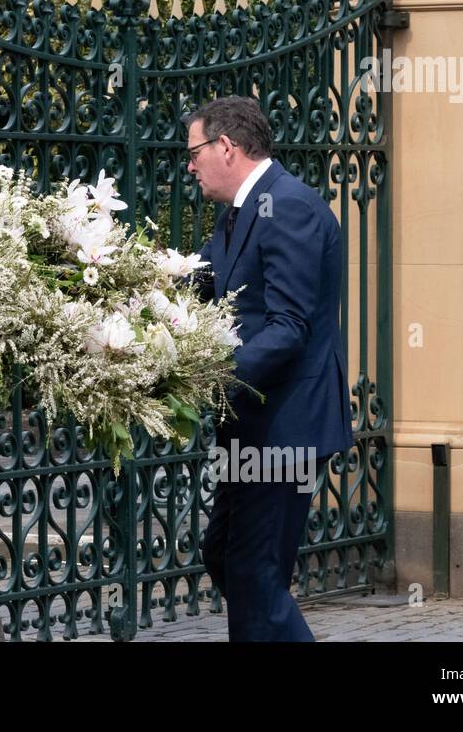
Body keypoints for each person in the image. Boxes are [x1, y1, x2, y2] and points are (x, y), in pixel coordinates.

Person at [186, 95, 353, 642]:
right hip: (252, 423)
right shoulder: (240, 212)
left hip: (287, 424)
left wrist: (213, 373)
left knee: (255, 572)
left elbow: (288, 326)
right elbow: (210, 283)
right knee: (229, 559)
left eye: (194, 153)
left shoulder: (291, 206)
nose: (190, 166)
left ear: (226, 147)